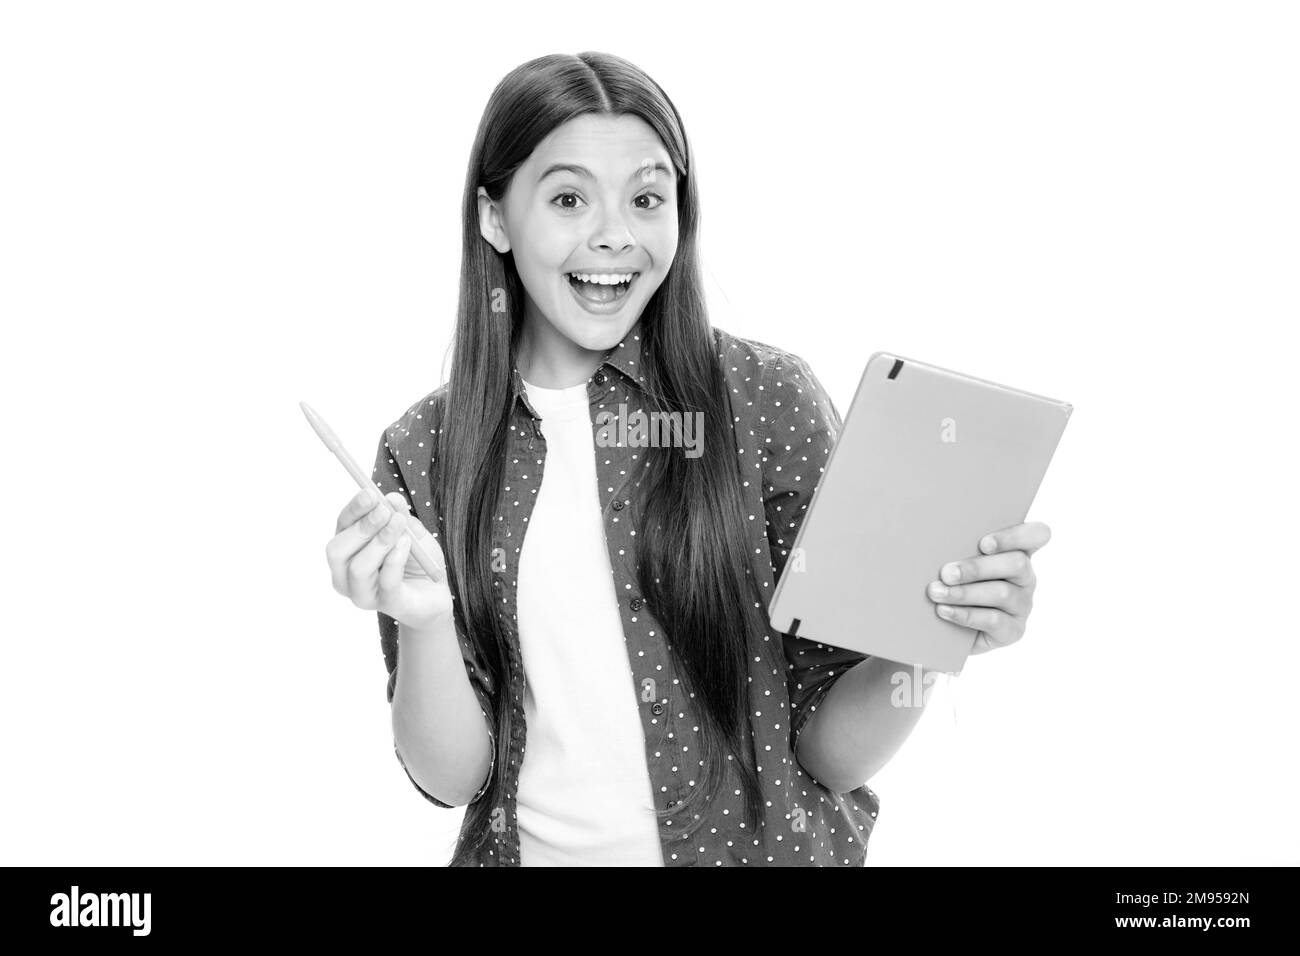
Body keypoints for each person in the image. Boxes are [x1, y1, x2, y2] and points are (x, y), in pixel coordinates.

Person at [323, 51, 1053, 866]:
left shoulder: (764, 399)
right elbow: (456, 779)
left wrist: (929, 634)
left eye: (646, 198)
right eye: (568, 199)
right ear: (495, 217)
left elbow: (830, 755)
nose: (614, 236)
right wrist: (424, 624)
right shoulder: (423, 453)